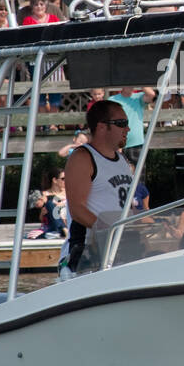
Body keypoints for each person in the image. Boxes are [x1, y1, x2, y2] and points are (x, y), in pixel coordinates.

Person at [60, 99, 135, 275]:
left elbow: (123, 206)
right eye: (122, 123)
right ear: (102, 127)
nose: (128, 129)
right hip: (87, 254)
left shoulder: (122, 160)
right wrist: (109, 231)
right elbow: (77, 209)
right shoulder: (83, 158)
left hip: (119, 249)